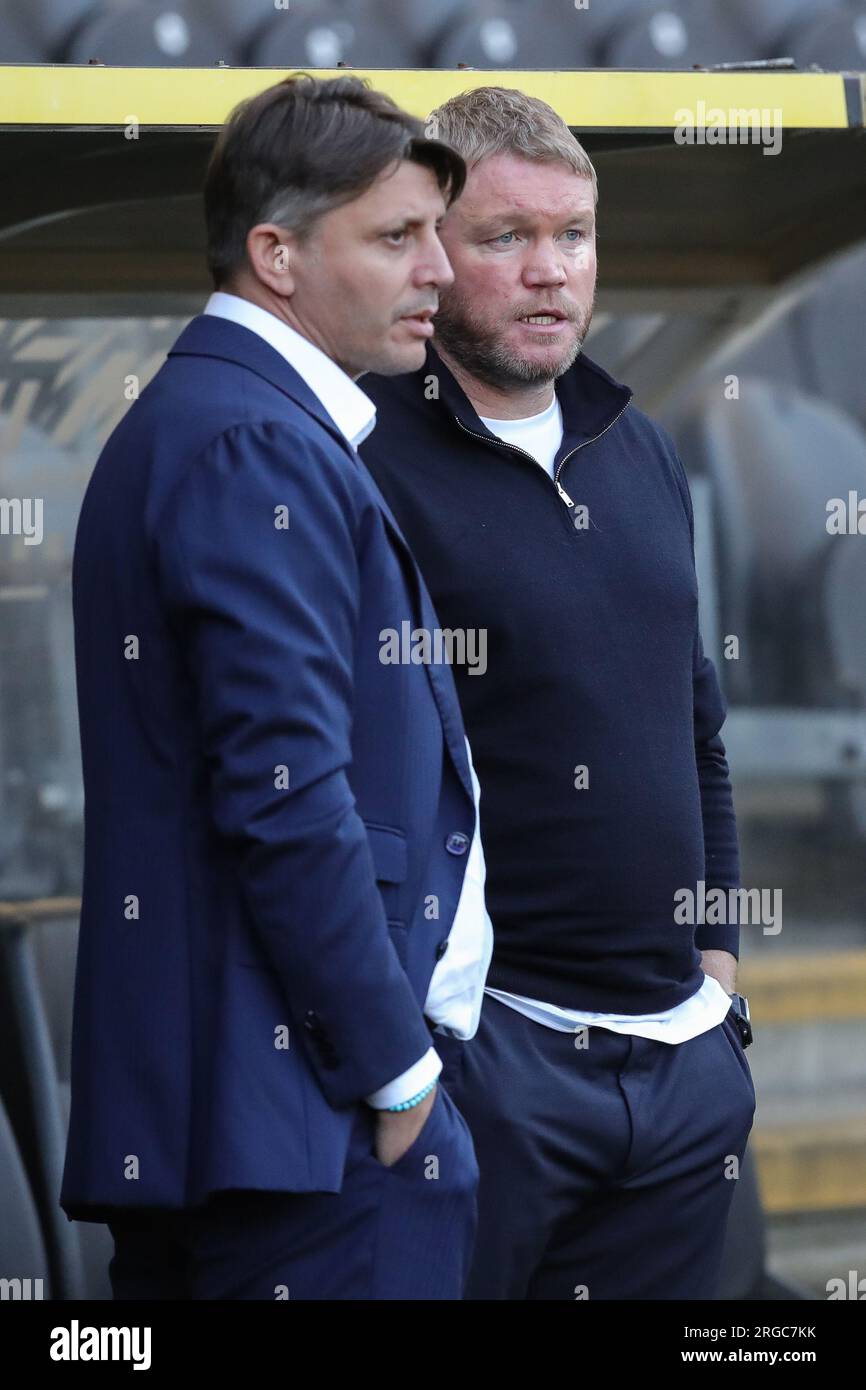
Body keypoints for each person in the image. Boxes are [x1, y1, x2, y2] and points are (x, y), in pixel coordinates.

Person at [60, 74, 491, 1301]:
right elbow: (288, 796)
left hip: (287, 1129)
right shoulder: (251, 439)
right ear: (276, 254)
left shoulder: (235, 422)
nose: (440, 274)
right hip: (309, 1140)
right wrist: (397, 1077)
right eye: (397, 237)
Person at [359, 85, 756, 1301]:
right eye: (505, 238)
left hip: (679, 1062)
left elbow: (693, 721)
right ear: (432, 248)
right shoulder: (361, 453)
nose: (548, 272)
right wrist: (411, 1060)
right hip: (490, 1060)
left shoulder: (637, 444)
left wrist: (719, 960)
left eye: (572, 236)